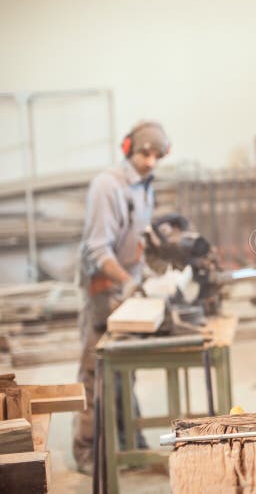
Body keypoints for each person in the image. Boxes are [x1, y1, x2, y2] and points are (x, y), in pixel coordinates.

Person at [72, 121, 170, 472]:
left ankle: (130, 442)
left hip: (126, 285)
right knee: (95, 372)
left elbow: (138, 237)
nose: (150, 162)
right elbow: (97, 248)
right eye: (145, 153)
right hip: (103, 288)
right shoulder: (106, 186)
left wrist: (151, 267)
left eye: (157, 155)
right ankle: (86, 453)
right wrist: (128, 281)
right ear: (128, 147)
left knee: (124, 370)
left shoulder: (143, 186)